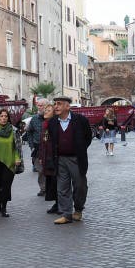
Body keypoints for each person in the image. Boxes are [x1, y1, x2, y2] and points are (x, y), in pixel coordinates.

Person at [48, 96, 92, 225]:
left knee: (80, 186)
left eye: (59, 104)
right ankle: (66, 214)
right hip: (60, 159)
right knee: (62, 188)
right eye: (55, 104)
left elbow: (88, 137)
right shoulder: (53, 122)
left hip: (76, 159)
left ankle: (78, 209)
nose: (56, 106)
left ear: (67, 106)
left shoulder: (80, 120)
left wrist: (79, 149)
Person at [0, 108, 23, 218]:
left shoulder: (13, 130)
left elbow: (17, 147)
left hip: (10, 162)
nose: (4, 118)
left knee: (6, 186)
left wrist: (18, 158)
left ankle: (3, 207)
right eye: (1, 116)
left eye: (6, 116)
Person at [37, 103, 59, 215]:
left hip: (54, 158)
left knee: (57, 182)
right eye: (45, 110)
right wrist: (41, 156)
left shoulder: (55, 124)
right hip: (46, 158)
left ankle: (60, 204)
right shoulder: (44, 124)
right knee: (50, 181)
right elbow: (42, 143)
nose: (45, 111)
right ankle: (56, 203)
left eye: (48, 110)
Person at [25, 99, 47, 195]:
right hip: (37, 148)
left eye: (42, 105)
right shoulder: (34, 119)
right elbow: (29, 132)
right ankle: (43, 188)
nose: (39, 107)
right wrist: (31, 146)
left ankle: (51, 188)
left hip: (49, 148)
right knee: (40, 170)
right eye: (38, 105)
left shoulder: (52, 118)